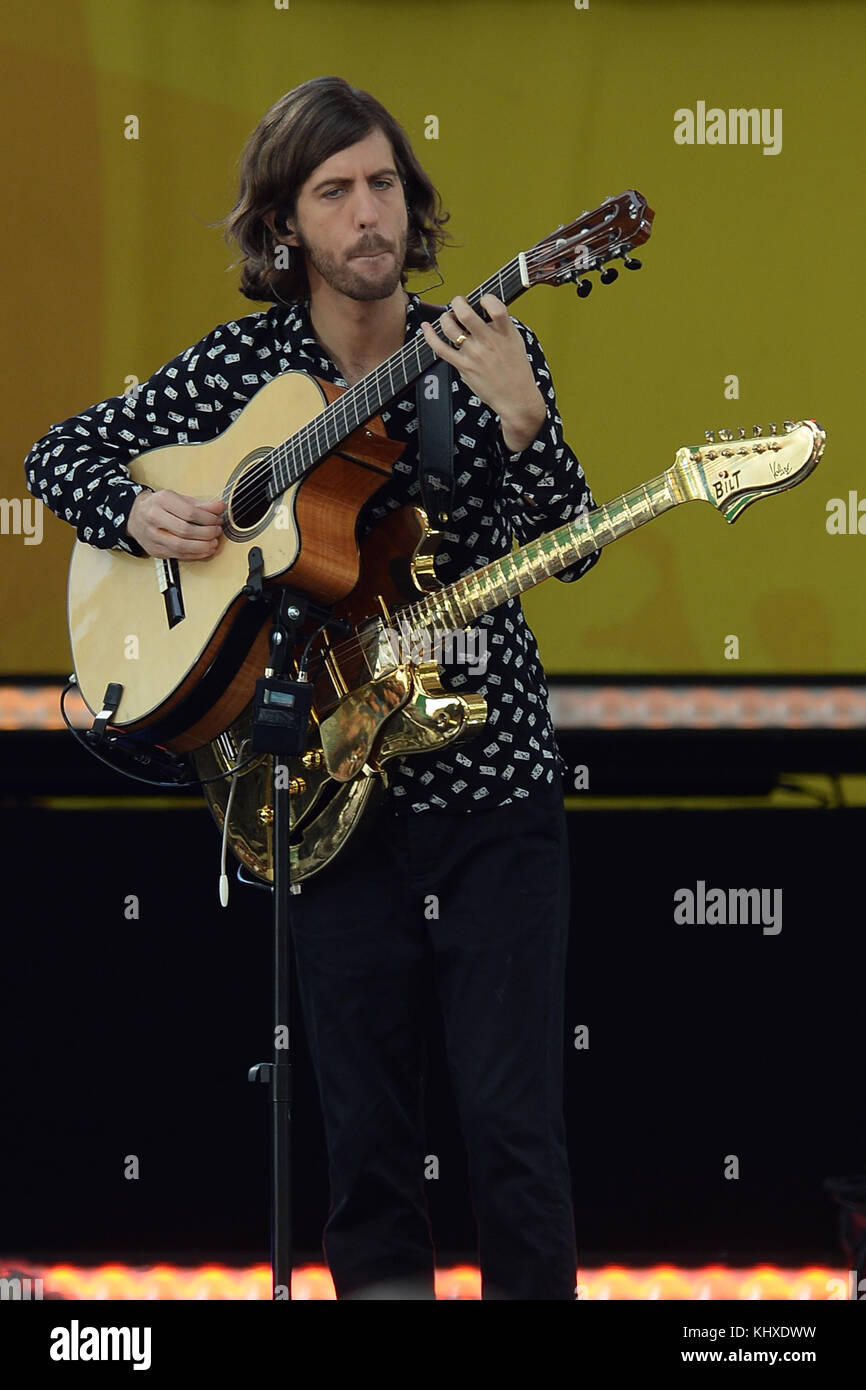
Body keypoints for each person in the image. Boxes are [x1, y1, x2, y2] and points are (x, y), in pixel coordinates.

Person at [24, 75, 601, 1300]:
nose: (365, 212)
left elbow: (575, 542)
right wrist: (140, 508)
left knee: (512, 1131)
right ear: (286, 226)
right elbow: (55, 454)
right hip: (321, 792)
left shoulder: (485, 347)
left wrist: (525, 422)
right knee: (367, 1148)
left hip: (486, 779)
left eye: (382, 183)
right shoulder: (245, 370)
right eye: (333, 191)